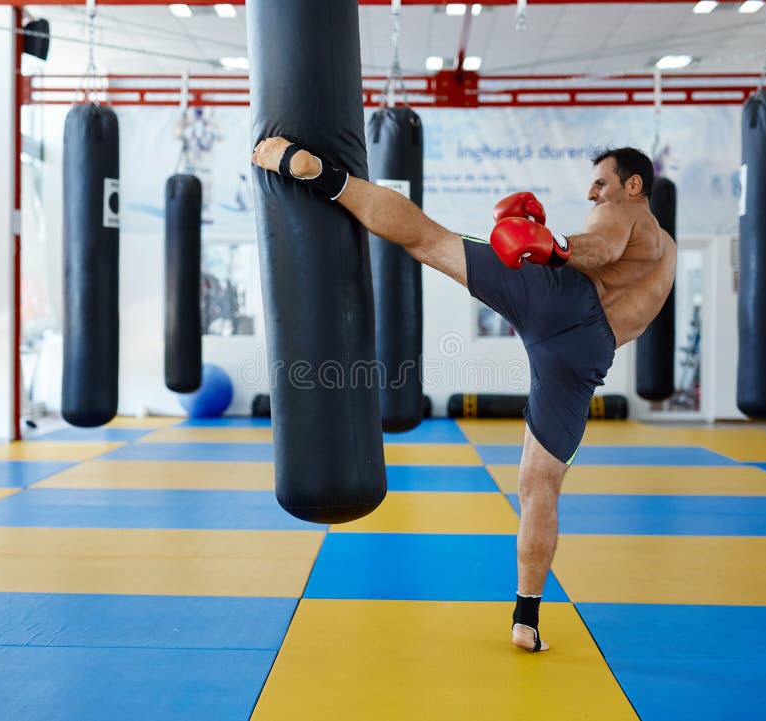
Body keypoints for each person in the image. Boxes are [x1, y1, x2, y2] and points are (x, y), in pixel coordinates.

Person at [252, 138, 676, 653]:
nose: (593, 194)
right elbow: (621, 279)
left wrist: (556, 246)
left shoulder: (625, 212)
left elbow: (601, 249)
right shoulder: (667, 254)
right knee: (539, 487)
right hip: (588, 353)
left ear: (634, 185)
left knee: (429, 239)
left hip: (562, 300)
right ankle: (526, 619)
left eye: (601, 183)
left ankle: (323, 176)